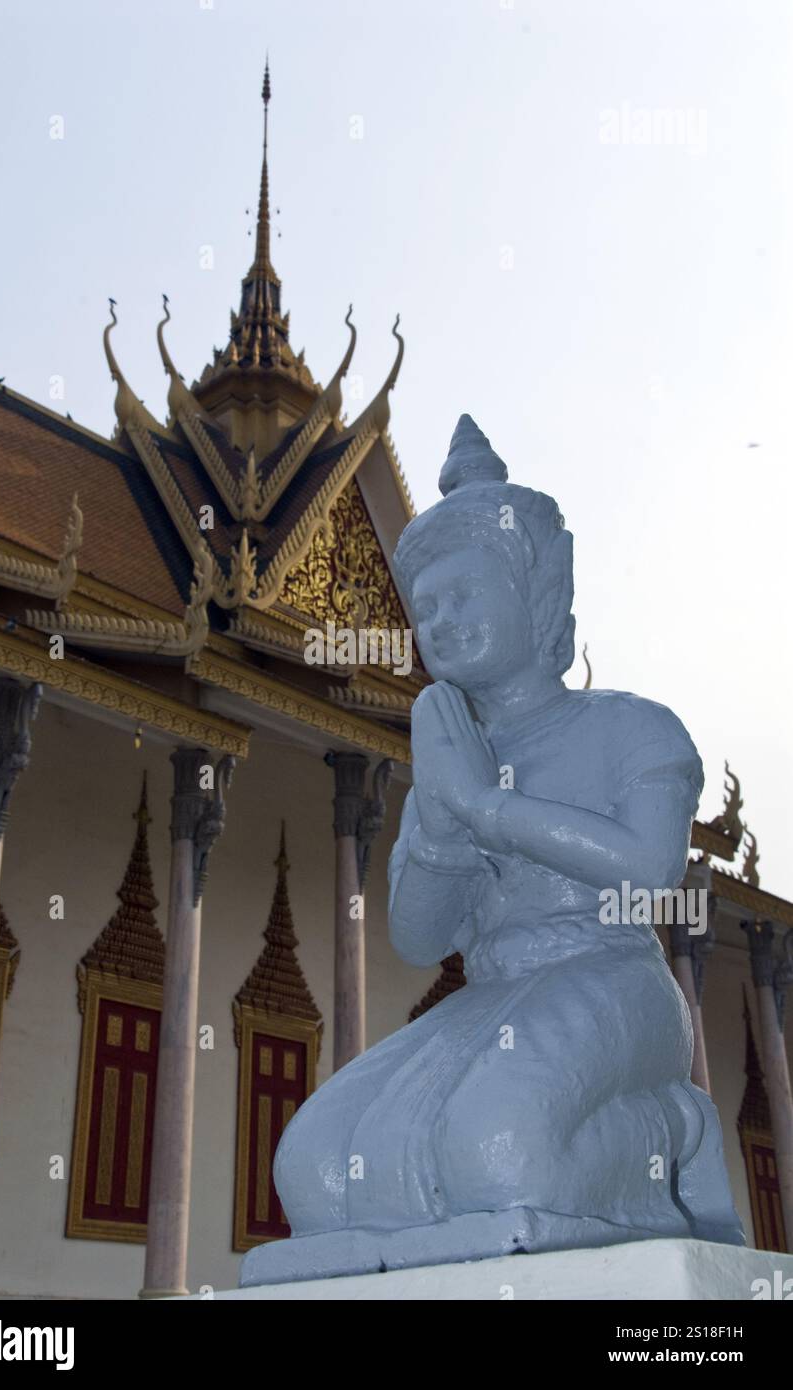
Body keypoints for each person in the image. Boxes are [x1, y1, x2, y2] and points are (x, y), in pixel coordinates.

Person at [241, 415, 742, 1287]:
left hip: (614, 977)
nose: (442, 622)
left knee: (497, 1152)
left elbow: (651, 873)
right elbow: (417, 938)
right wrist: (442, 821)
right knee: (315, 1170)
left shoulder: (632, 729)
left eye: (465, 596)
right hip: (495, 993)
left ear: (533, 593)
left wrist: (490, 808)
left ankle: (672, 1133)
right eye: (427, 609)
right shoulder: (446, 758)